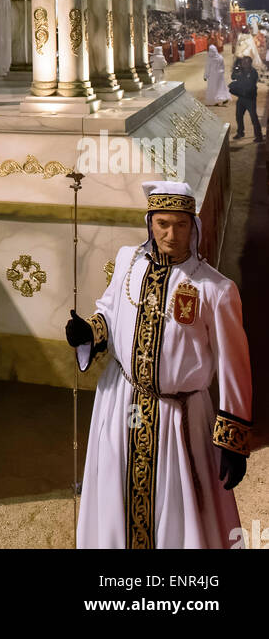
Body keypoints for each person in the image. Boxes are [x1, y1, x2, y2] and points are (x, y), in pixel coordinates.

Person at [66, 180, 252, 549]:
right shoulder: (127, 261)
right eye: (162, 223)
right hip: (122, 401)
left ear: (193, 226)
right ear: (149, 222)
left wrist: (234, 440)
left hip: (178, 417)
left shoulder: (215, 289)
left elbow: (235, 366)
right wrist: (90, 331)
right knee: (115, 489)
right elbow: (109, 310)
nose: (171, 234)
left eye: (181, 224)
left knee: (181, 509)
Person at [229, 56, 262, 143]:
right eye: (243, 62)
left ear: (249, 63)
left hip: (250, 99)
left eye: (245, 63)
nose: (243, 64)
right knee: (238, 116)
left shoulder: (253, 72)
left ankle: (259, 136)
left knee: (253, 117)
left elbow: (250, 86)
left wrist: (240, 87)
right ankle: (240, 133)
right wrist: (236, 69)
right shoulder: (241, 70)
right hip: (241, 98)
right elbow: (233, 77)